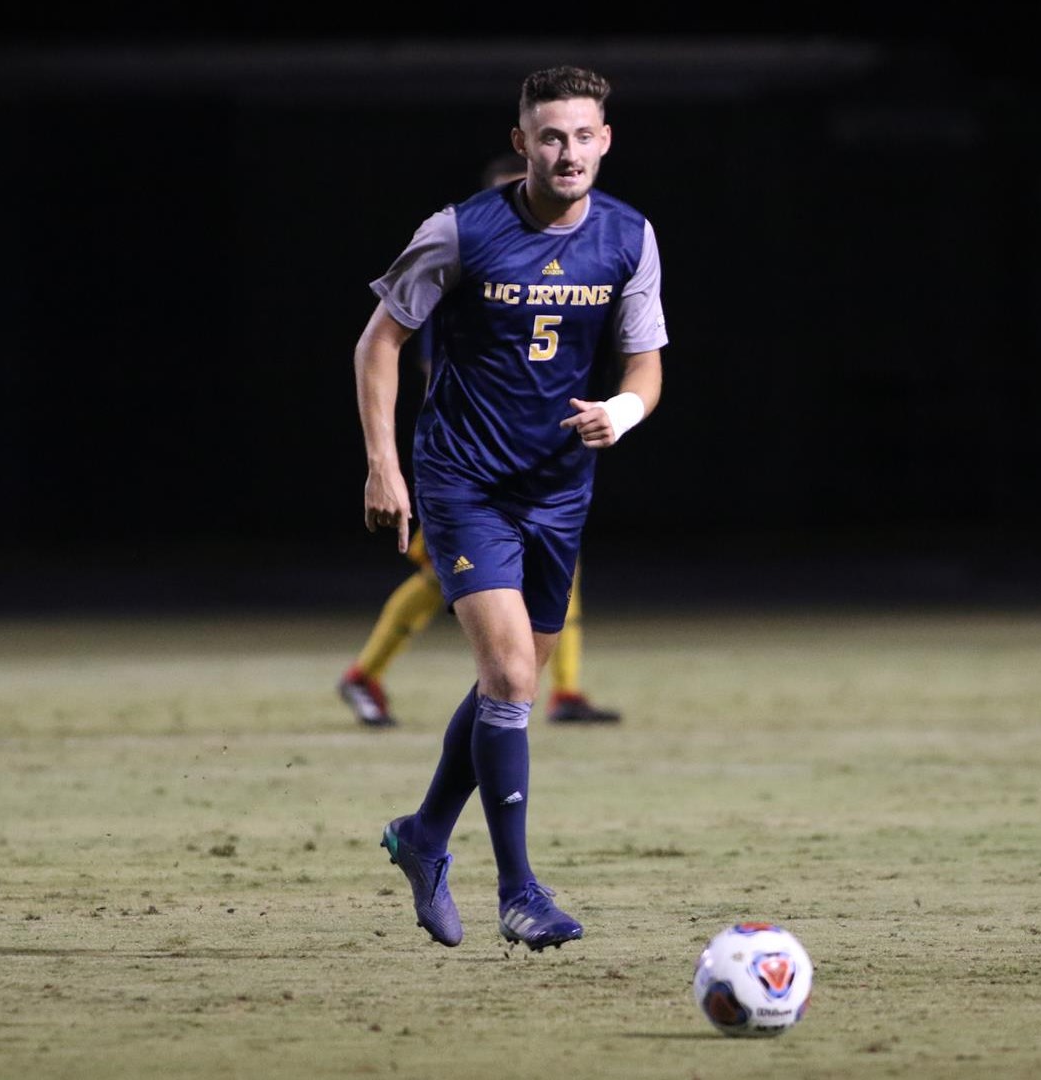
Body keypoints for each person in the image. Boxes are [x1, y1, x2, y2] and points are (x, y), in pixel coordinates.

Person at [356, 65, 666, 952]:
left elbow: (645, 365)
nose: (568, 152)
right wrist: (384, 466)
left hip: (559, 489)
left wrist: (623, 411)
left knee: (511, 681)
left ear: (605, 141)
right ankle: (519, 891)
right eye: (551, 136)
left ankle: (422, 836)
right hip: (463, 480)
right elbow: (379, 342)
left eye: (583, 136)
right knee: (512, 679)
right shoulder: (461, 231)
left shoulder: (630, 236)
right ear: (521, 141)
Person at [337, 154, 624, 730]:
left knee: (561, 573)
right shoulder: (467, 278)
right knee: (442, 578)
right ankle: (365, 674)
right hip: (471, 471)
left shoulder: (586, 265)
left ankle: (564, 690)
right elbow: (411, 361)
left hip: (546, 467)